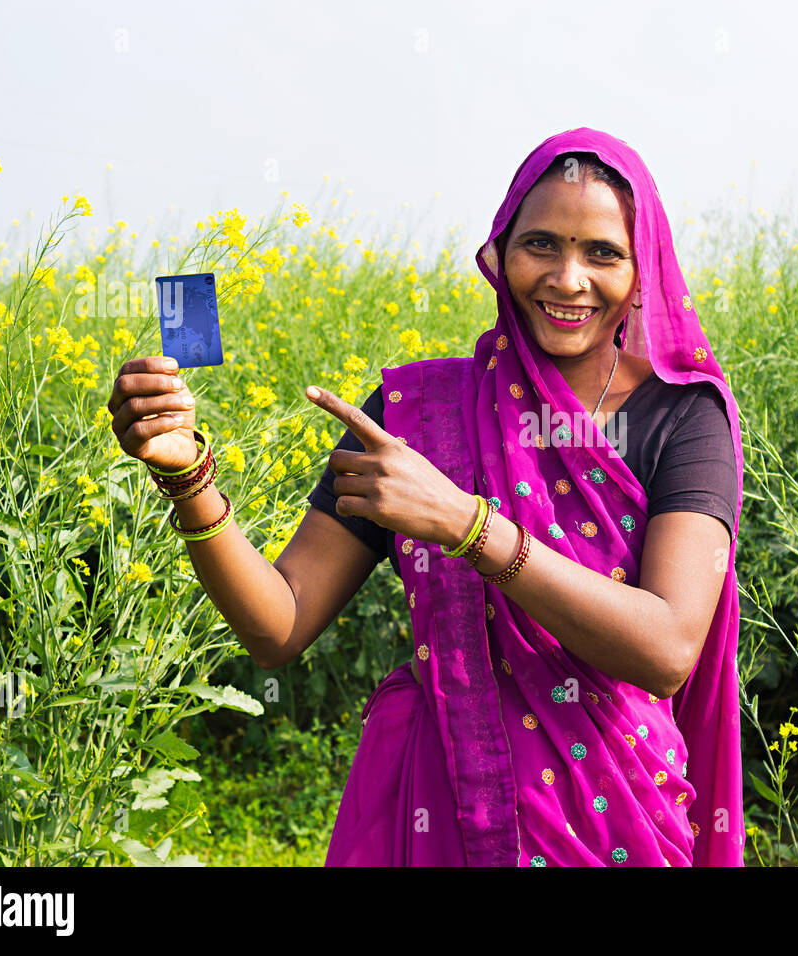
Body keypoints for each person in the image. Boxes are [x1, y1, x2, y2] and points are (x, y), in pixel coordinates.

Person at [106, 127, 745, 866]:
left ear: (643, 273)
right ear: (500, 256)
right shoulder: (421, 414)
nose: (569, 278)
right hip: (439, 803)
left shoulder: (684, 416)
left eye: (603, 252)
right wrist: (188, 479)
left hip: (618, 816)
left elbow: (667, 649)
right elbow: (277, 627)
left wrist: (467, 525)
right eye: (540, 244)